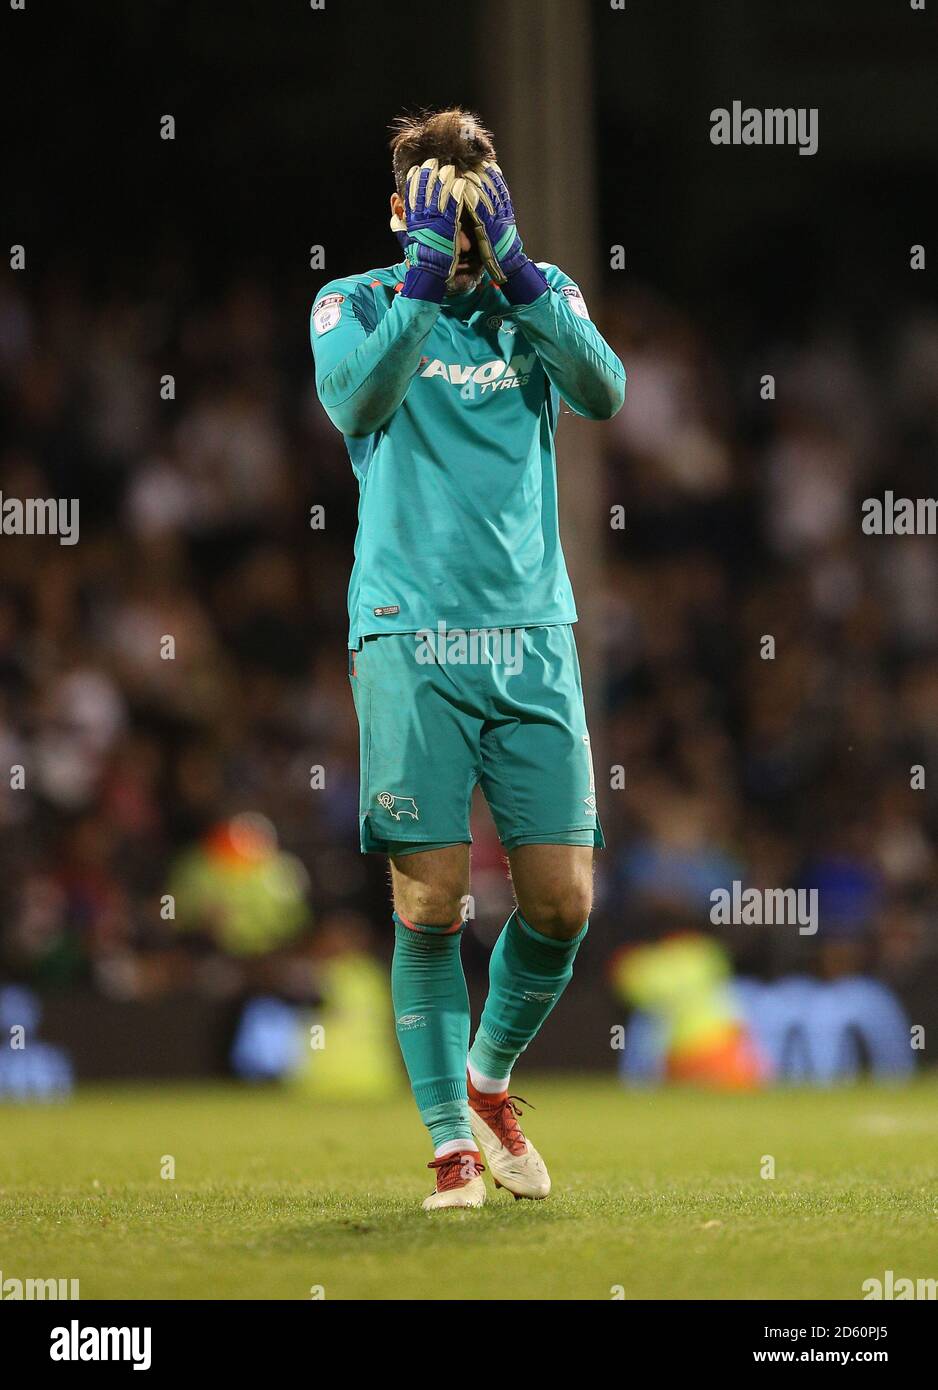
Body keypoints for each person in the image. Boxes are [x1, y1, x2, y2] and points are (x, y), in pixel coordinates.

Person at [312, 108, 625, 1210]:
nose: (459, 217)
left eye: (473, 199)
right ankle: (448, 1143)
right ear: (400, 209)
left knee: (560, 904)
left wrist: (525, 279)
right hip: (409, 633)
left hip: (530, 635)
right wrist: (425, 283)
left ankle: (488, 1082)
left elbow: (603, 393)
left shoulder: (540, 298)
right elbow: (353, 397)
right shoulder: (352, 299)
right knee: (431, 903)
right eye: (436, 200)